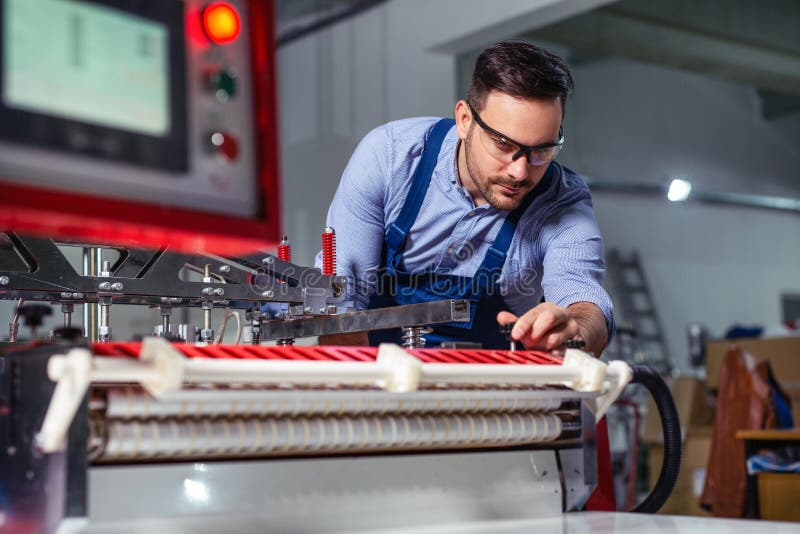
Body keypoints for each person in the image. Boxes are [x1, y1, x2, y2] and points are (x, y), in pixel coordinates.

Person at [317, 41, 613, 354]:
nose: (520, 171)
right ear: (465, 121)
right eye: (502, 144)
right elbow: (341, 302)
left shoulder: (561, 201)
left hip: (489, 393)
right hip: (381, 378)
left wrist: (575, 329)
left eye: (541, 150)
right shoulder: (390, 159)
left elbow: (584, 299)